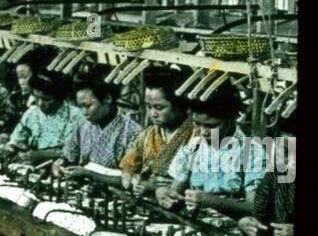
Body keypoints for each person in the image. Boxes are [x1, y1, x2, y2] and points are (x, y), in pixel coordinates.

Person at [156, 86, 266, 218]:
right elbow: (175, 193)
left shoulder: (252, 152)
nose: (203, 132)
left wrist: (215, 202)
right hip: (197, 224)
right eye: (197, 124)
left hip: (235, 228)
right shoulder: (194, 146)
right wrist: (164, 194)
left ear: (230, 120)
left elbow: (257, 207)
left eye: (212, 126)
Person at [54, 78, 142, 186]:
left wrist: (89, 174)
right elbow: (68, 156)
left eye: (88, 106)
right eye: (80, 107)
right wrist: (58, 164)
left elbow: (130, 181)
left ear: (107, 99)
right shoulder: (84, 127)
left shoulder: (132, 131)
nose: (84, 113)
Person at [119, 73, 195, 195]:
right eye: (148, 107)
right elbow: (129, 162)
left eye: (159, 108)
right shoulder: (148, 134)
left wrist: (154, 187)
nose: (153, 114)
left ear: (180, 105)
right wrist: (131, 178)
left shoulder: (195, 135)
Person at [0, 74, 80, 159]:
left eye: (47, 99)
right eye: (36, 97)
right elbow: (17, 139)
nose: (40, 104)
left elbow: (72, 151)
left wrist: (39, 155)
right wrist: (9, 148)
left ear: (60, 98)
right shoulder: (31, 113)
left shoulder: (74, 115)